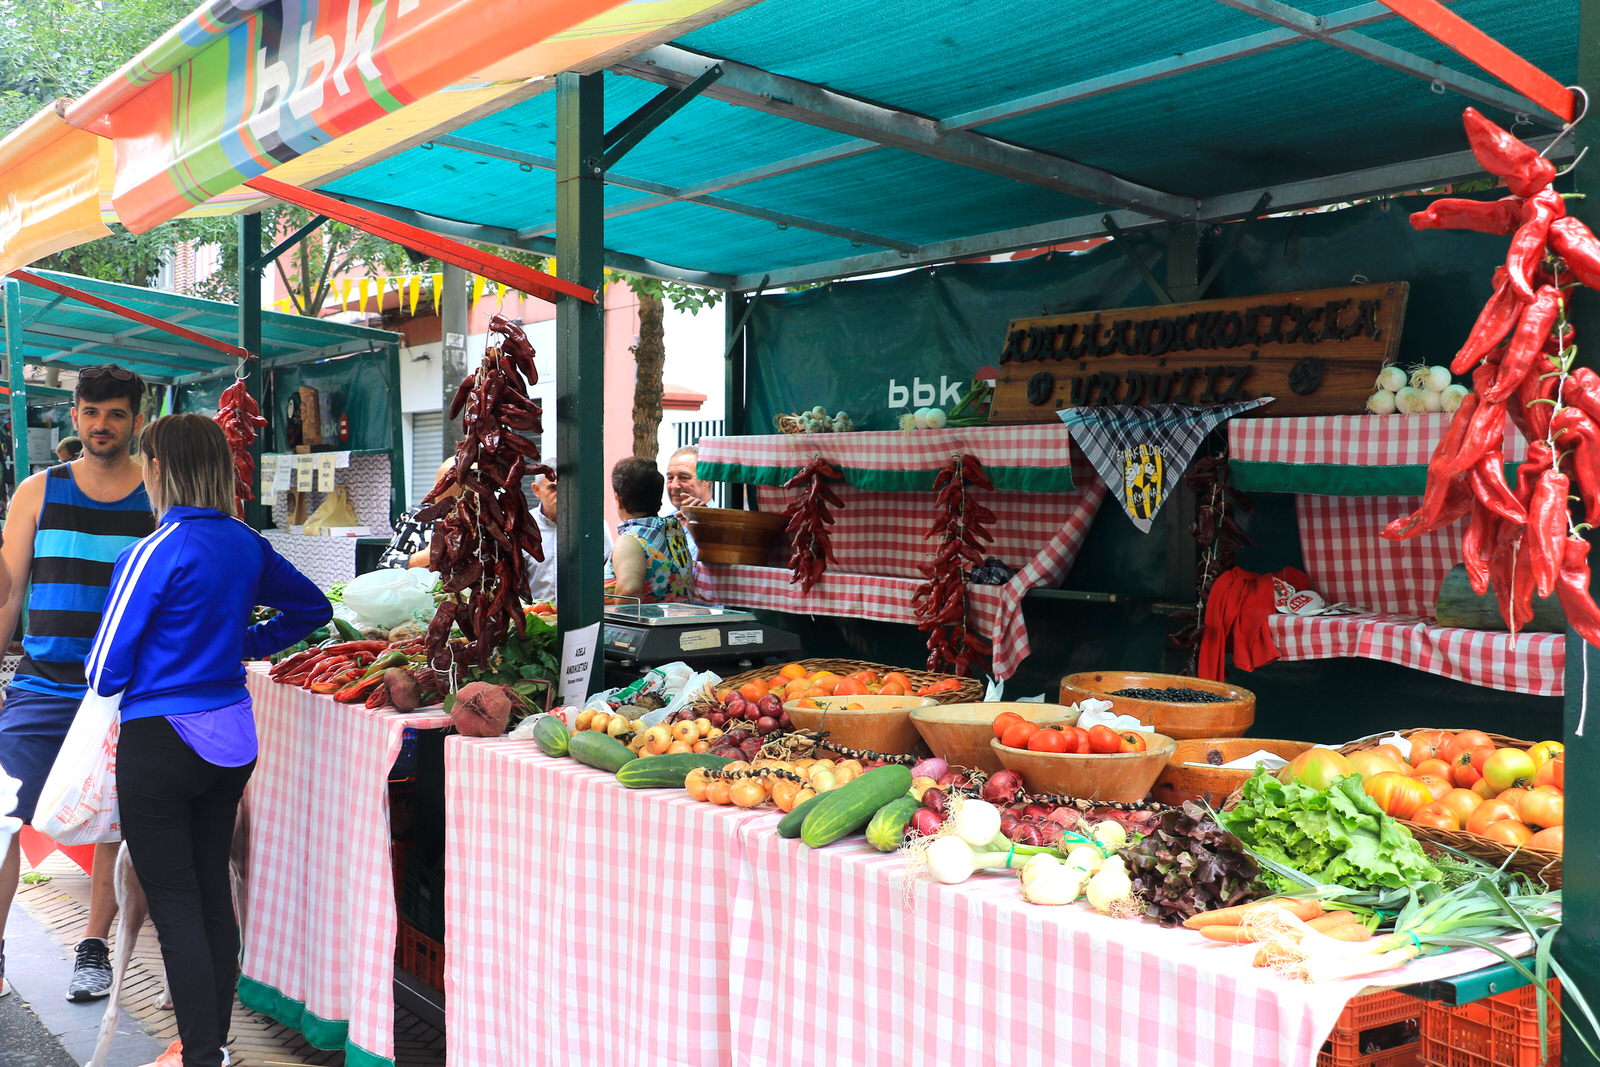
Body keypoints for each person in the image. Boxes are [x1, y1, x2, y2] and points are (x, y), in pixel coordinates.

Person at [88, 414, 330, 1067]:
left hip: (161, 742)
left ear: (160, 470)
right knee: (209, 892)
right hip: (230, 739)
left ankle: (200, 1054)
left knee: (174, 898)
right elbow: (312, 608)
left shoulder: (150, 551)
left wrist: (173, 656)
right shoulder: (245, 543)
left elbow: (103, 669)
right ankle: (210, 1044)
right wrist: (239, 644)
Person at [0, 364, 154, 1002]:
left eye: (115, 413)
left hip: (126, 690)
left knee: (116, 822)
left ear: (136, 420)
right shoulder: (36, 491)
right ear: (73, 414)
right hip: (42, 680)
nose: (101, 425)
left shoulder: (160, 493)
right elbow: (9, 591)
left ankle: (92, 946)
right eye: (91, 413)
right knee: (4, 816)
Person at [604, 457, 695, 603]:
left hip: (643, 625)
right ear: (659, 499)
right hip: (674, 623)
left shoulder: (631, 540)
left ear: (618, 498)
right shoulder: (674, 534)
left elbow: (629, 590)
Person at [665, 445, 713, 511]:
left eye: (683, 478)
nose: (674, 486)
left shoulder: (724, 520)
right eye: (670, 478)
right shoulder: (667, 520)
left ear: (706, 480)